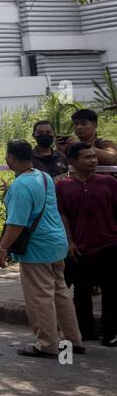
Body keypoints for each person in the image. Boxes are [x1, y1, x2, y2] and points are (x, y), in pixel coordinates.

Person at [0, 140, 81, 359]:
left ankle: (47, 344)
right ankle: (72, 340)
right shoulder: (42, 177)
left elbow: (16, 224)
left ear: (11, 158)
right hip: (56, 242)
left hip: (37, 247)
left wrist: (2, 248)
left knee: (40, 297)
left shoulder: (20, 185)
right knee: (60, 292)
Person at [55, 142, 117, 346]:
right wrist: (69, 241)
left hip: (108, 245)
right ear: (73, 161)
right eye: (87, 157)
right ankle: (86, 331)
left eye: (94, 157)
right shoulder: (63, 186)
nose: (93, 160)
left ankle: (111, 333)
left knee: (111, 292)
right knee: (81, 292)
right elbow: (63, 214)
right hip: (79, 248)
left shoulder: (109, 182)